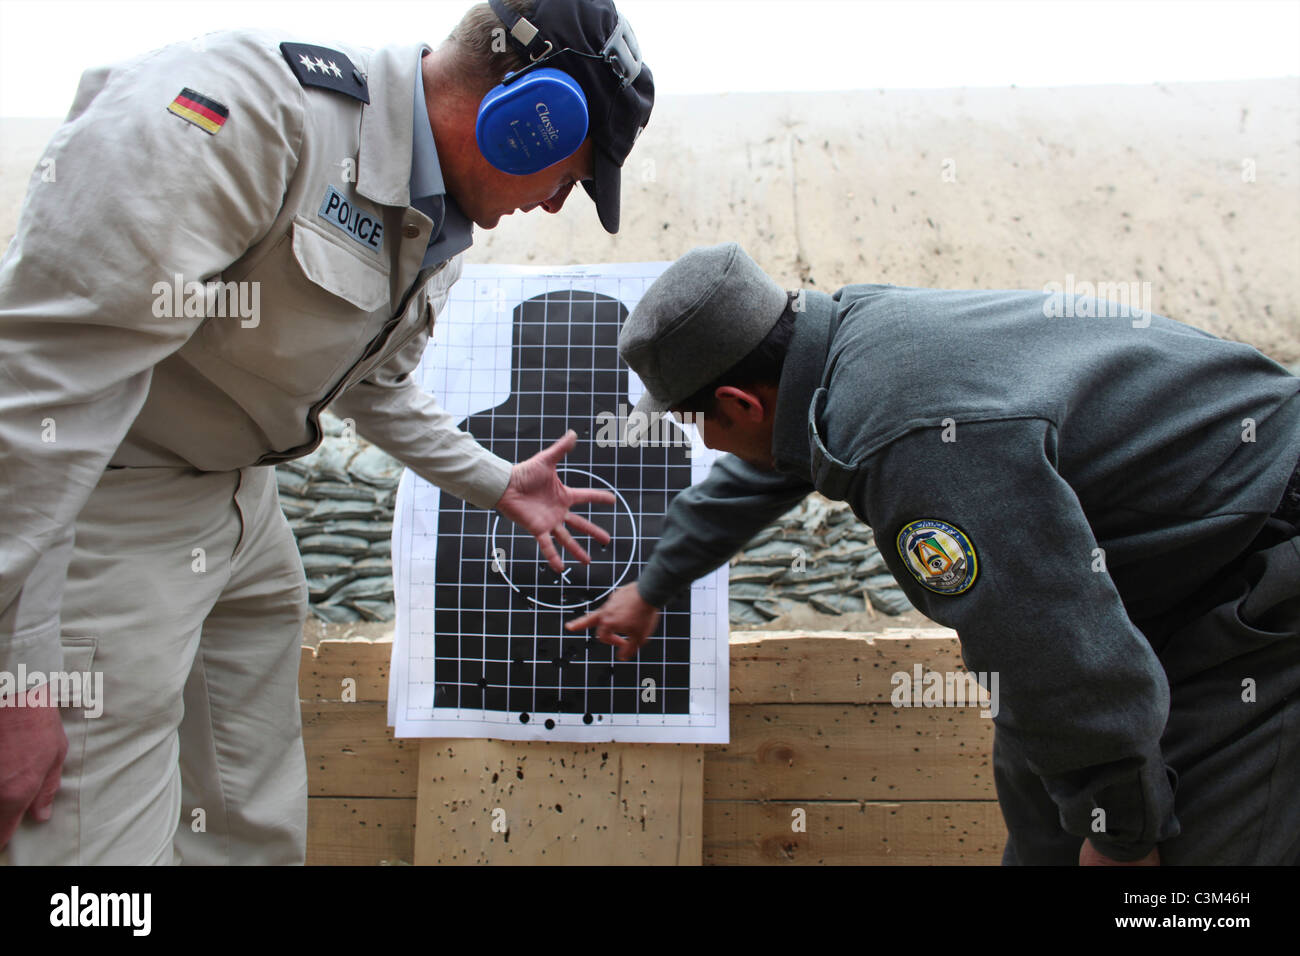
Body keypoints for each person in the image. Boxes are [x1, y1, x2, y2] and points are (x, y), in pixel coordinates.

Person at [0, 0, 653, 864]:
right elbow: (39, 392)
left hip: (240, 506)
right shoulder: (246, 111)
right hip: (109, 507)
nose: (557, 203)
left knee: (249, 818)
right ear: (534, 119)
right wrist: (19, 671)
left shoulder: (433, 220)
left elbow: (370, 387)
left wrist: (499, 483)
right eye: (570, 176)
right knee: (90, 844)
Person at [568, 242, 1300, 865]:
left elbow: (1049, 644)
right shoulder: (840, 343)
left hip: (1261, 552)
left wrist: (1121, 833)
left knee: (1193, 863)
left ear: (741, 403)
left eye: (702, 426)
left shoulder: (915, 443)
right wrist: (654, 586)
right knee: (1048, 789)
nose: (710, 443)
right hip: (1171, 549)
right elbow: (777, 462)